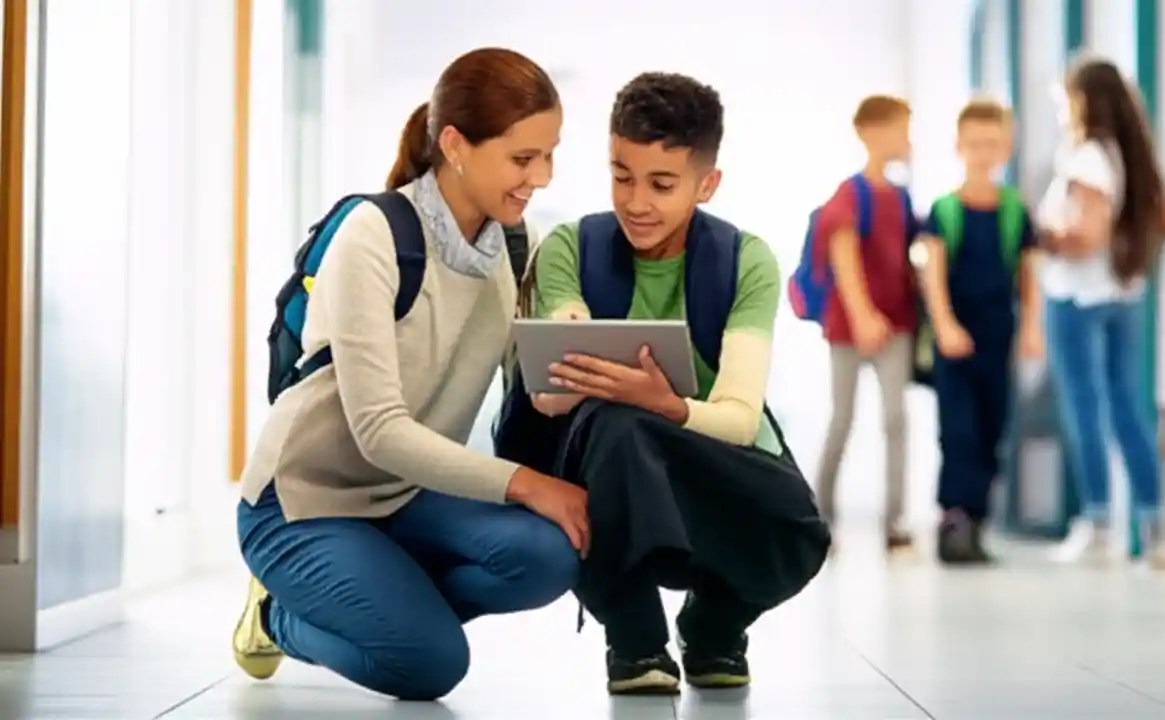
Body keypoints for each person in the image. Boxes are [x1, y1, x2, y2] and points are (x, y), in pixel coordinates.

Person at [231, 48, 587, 702]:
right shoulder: (375, 232)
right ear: (455, 144)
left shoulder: (513, 241)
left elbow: (529, 386)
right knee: (430, 666)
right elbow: (380, 433)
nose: (541, 176)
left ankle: (386, 600)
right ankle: (278, 617)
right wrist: (526, 484)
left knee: (548, 558)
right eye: (522, 158)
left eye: (549, 154)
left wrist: (580, 365)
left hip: (407, 495)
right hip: (306, 501)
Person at [496, 72, 829, 696]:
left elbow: (735, 416)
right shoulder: (570, 246)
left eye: (662, 184)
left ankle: (713, 626)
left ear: (708, 184)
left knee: (799, 529)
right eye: (621, 175)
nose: (636, 202)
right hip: (603, 463)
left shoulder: (745, 261)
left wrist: (667, 404)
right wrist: (611, 390)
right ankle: (635, 640)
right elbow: (548, 391)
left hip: (706, 450)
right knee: (619, 427)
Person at [1037, 55, 1165, 567]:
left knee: (1084, 407)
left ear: (1082, 100)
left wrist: (1044, 236)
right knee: (1126, 408)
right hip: (1123, 293)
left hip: (1078, 297)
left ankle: (1096, 521)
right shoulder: (1129, 154)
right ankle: (1154, 526)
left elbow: (1087, 234)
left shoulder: (1087, 156)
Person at [916, 99, 1043, 564]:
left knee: (993, 427)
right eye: (974, 144)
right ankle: (954, 520)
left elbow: (1028, 275)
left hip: (998, 335)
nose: (983, 152)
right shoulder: (944, 210)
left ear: (1005, 148)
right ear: (959, 147)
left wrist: (1032, 327)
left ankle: (979, 522)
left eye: (992, 144)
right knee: (959, 430)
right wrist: (945, 324)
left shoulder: (1015, 211)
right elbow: (932, 273)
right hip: (955, 338)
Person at [814, 95, 918, 551]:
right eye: (900, 129)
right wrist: (862, 316)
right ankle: (820, 517)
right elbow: (843, 253)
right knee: (843, 418)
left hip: (896, 324)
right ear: (871, 133)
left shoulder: (900, 196)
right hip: (851, 328)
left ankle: (894, 523)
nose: (907, 139)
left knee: (896, 419)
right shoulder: (849, 194)